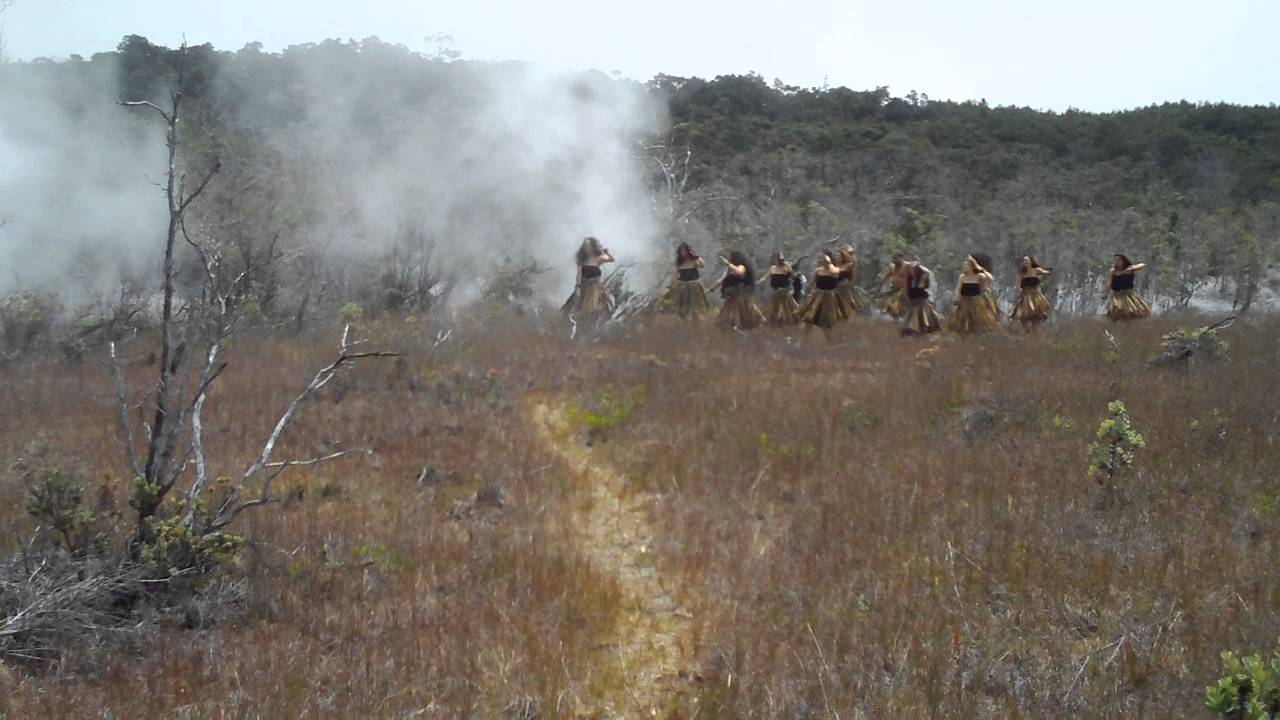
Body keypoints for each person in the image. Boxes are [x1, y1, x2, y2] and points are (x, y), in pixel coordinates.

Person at [560, 237, 615, 317]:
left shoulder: (598, 258)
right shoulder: (582, 260)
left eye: (589, 245)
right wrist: (578, 287)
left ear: (593, 247)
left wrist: (606, 252)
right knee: (573, 308)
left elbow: (611, 259)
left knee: (596, 307)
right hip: (584, 286)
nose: (587, 247)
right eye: (585, 245)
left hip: (595, 287)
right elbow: (579, 274)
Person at [799, 252, 849, 337]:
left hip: (829, 298)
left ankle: (831, 340)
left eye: (825, 261)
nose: (823, 262)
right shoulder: (818, 271)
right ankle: (803, 341)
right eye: (822, 260)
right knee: (809, 318)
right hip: (817, 297)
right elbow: (812, 283)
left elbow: (839, 278)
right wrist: (807, 293)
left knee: (826, 321)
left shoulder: (835, 271)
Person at [948, 255, 999, 335]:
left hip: (977, 302)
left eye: (966, 266)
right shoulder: (962, 277)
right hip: (964, 302)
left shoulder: (979, 276)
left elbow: (990, 279)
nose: (964, 267)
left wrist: (980, 268)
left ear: (972, 267)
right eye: (964, 266)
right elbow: (958, 289)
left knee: (978, 322)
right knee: (963, 324)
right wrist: (957, 298)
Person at [659, 242, 711, 319]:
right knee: (682, 311)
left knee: (696, 310)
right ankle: (686, 326)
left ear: (688, 251)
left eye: (684, 251)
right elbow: (675, 275)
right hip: (682, 287)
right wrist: (670, 287)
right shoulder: (679, 262)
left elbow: (702, 265)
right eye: (681, 251)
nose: (683, 253)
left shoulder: (694, 260)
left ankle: (698, 327)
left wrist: (696, 257)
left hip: (694, 286)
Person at [716, 250, 764, 330]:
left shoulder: (742, 266)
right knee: (731, 310)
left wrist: (727, 263)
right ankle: (734, 326)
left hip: (740, 293)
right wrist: (712, 289)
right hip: (731, 294)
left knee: (746, 309)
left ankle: (738, 325)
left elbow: (739, 272)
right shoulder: (730, 269)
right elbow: (722, 279)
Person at [1010, 256, 1053, 330]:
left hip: (1036, 295)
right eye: (1024, 261)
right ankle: (1027, 331)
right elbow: (1019, 283)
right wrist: (1020, 291)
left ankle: (1036, 332)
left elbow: (1046, 272)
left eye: (1027, 260)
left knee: (1036, 314)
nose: (1025, 262)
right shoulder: (1022, 272)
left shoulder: (1036, 270)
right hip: (1026, 295)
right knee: (1023, 315)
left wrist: (1049, 270)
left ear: (1030, 261)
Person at [901, 262, 943, 335]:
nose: (912, 271)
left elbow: (925, 286)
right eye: (911, 269)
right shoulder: (909, 278)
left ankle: (925, 328)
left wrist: (923, 279)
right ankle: (910, 330)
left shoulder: (923, 275)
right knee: (910, 316)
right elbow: (907, 289)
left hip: (920, 299)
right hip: (912, 299)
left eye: (913, 269)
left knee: (924, 314)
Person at [759, 252, 801, 326]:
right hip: (775, 292)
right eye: (779, 260)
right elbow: (766, 276)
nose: (780, 261)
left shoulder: (786, 267)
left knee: (792, 308)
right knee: (771, 309)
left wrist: (787, 269)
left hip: (785, 293)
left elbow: (792, 277)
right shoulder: (772, 268)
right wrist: (760, 281)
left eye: (782, 259)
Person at [1105, 254, 1151, 321]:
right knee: (1114, 313)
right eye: (1115, 260)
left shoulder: (1129, 269)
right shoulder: (1113, 271)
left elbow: (1142, 265)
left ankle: (1129, 327)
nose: (1116, 262)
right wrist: (1105, 294)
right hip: (1117, 296)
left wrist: (1130, 269)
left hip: (1128, 295)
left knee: (1130, 312)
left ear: (1123, 261)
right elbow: (1109, 283)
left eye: (1118, 260)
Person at [876, 251, 909, 319]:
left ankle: (901, 318)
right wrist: (878, 290)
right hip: (894, 289)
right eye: (892, 259)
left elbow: (911, 280)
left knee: (894, 301)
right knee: (886, 303)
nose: (893, 260)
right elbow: (884, 279)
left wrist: (902, 292)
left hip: (904, 290)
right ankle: (895, 319)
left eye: (895, 259)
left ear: (901, 258)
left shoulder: (907, 266)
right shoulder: (892, 267)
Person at [835, 247, 866, 317]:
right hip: (835, 287)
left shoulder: (849, 264)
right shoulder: (834, 265)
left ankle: (856, 314)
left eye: (839, 256)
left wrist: (851, 283)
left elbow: (853, 274)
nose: (837, 257)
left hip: (844, 286)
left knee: (850, 302)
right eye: (836, 256)